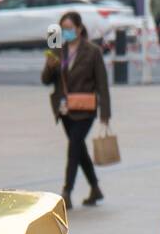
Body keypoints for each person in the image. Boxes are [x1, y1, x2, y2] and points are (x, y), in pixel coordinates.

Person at [42, 12, 111, 209]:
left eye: (70, 28)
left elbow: (102, 84)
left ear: (79, 29)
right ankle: (95, 187)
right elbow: (46, 80)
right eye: (63, 28)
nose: (66, 32)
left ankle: (67, 191)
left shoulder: (92, 51)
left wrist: (105, 114)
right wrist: (49, 65)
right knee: (78, 148)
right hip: (64, 109)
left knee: (73, 147)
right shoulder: (57, 49)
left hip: (85, 108)